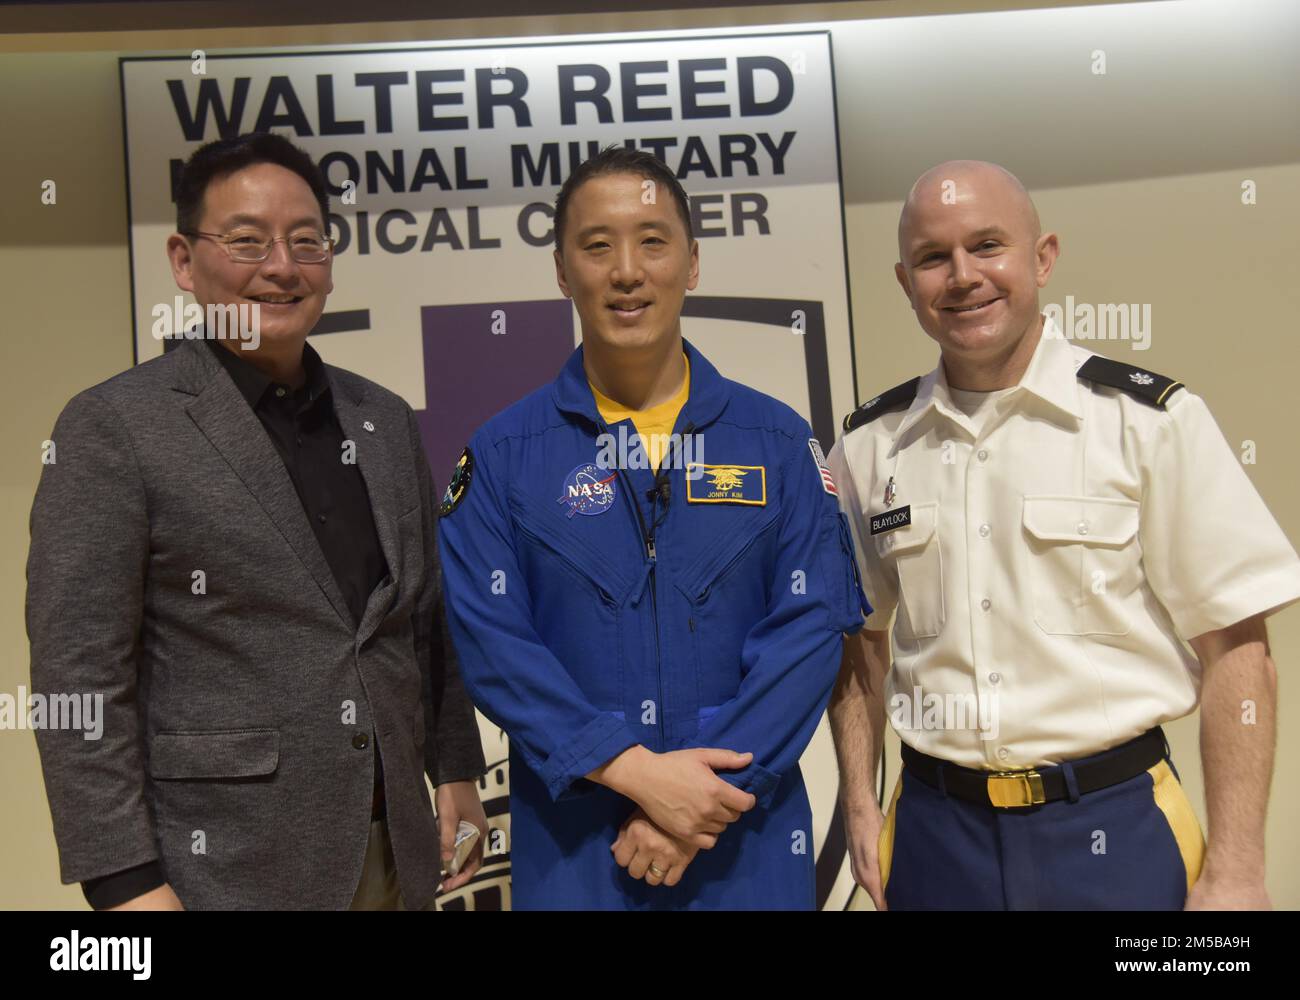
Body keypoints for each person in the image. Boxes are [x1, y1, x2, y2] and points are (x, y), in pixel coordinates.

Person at [27, 132, 487, 910]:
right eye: (246, 241)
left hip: (395, 852)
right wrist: (125, 881)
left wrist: (456, 770)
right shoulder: (115, 426)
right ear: (183, 260)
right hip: (220, 870)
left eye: (306, 241)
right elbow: (78, 679)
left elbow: (422, 621)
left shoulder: (381, 418)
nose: (281, 267)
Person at [826, 159, 1300, 911]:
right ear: (905, 280)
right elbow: (859, 640)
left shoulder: (1148, 422)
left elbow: (1238, 652)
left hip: (1118, 832)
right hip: (933, 837)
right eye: (932, 257)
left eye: (987, 245)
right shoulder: (868, 446)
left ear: (1042, 257)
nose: (962, 276)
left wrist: (1238, 867)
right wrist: (858, 797)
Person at [437, 146, 867, 909]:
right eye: (597, 246)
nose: (626, 270)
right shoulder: (503, 456)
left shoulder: (776, 442)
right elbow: (493, 645)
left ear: (692, 262)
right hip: (577, 853)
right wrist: (634, 772)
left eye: (653, 240)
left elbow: (808, 635)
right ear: (563, 272)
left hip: (746, 845)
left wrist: (695, 807)